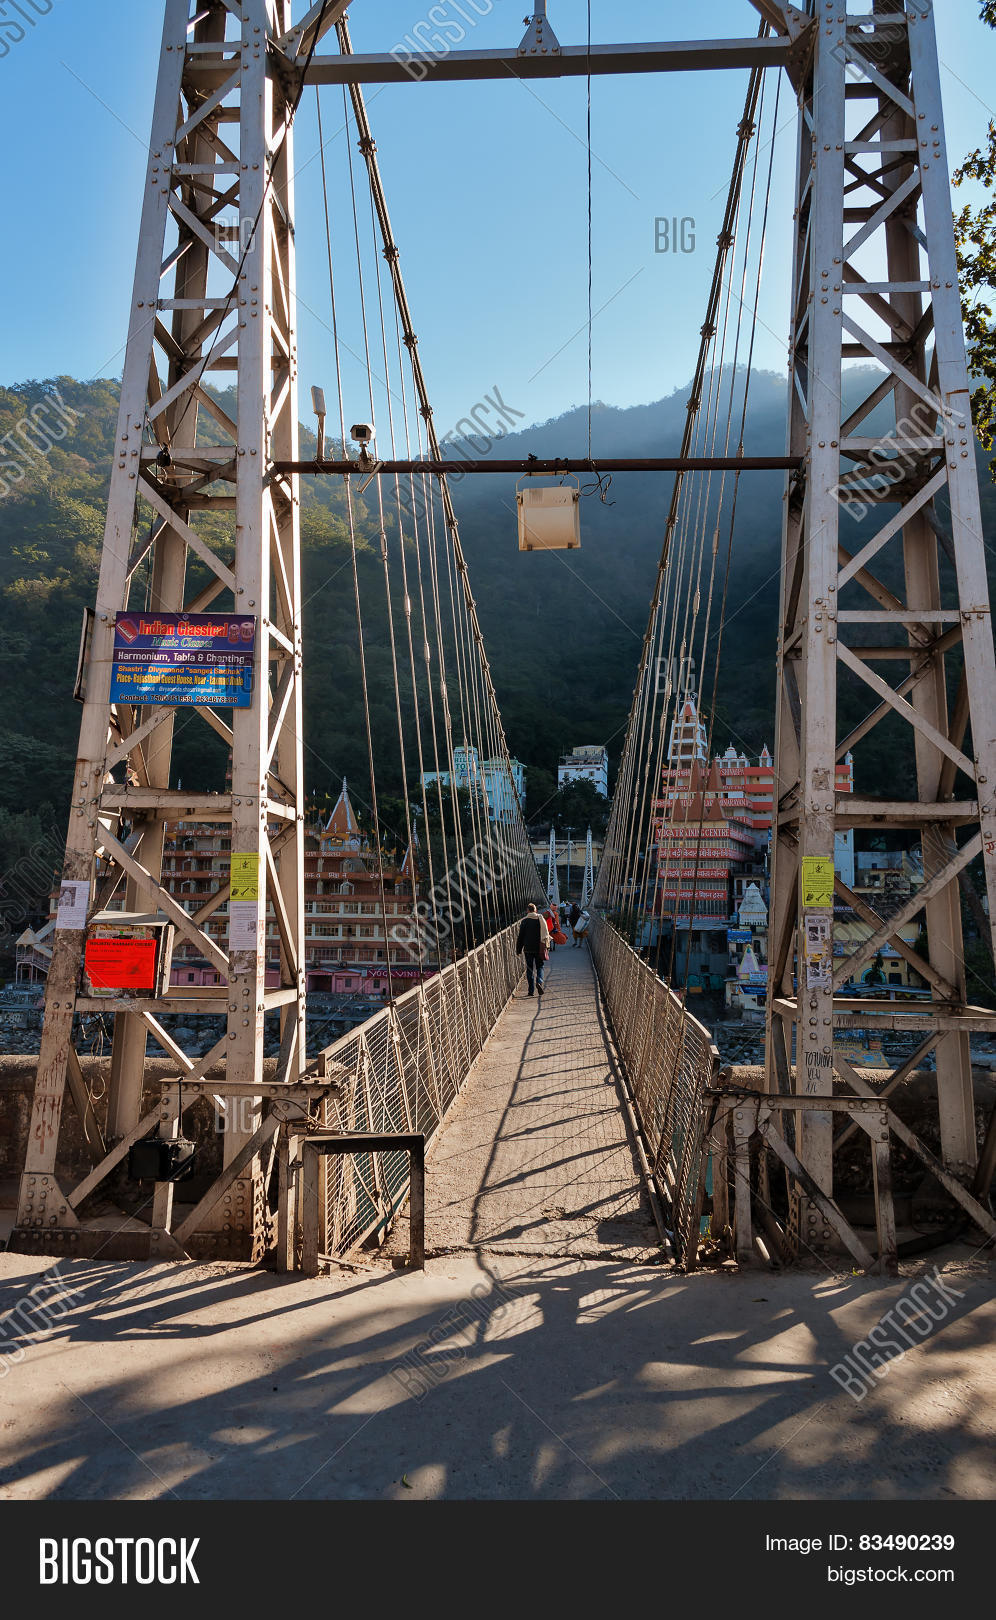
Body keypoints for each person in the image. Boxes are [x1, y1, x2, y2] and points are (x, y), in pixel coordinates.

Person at [515, 902, 550, 996]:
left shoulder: (524, 921)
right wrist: (547, 946)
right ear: (535, 910)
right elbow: (545, 934)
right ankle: (539, 982)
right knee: (540, 967)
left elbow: (521, 937)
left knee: (529, 968)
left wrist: (518, 949)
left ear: (527, 911)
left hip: (528, 948)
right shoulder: (540, 919)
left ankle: (530, 991)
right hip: (539, 947)